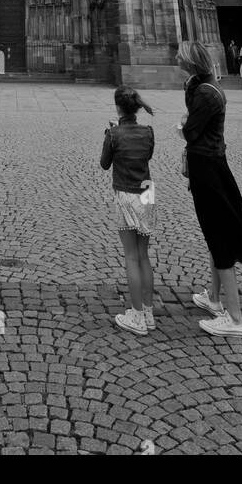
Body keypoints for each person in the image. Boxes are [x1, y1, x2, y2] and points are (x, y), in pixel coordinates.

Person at [178, 40, 242, 338]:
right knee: (215, 231)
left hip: (209, 168)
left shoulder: (206, 93)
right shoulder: (203, 87)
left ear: (191, 62)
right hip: (210, 164)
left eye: (180, 57)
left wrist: (184, 126)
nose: (176, 59)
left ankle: (235, 317)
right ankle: (214, 298)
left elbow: (190, 130)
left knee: (218, 233)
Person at [100, 87, 157, 335]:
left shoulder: (114, 134)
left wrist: (110, 134)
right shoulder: (148, 132)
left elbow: (104, 164)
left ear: (118, 107)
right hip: (147, 192)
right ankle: (148, 312)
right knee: (144, 256)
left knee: (131, 257)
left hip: (126, 193)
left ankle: (136, 316)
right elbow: (147, 155)